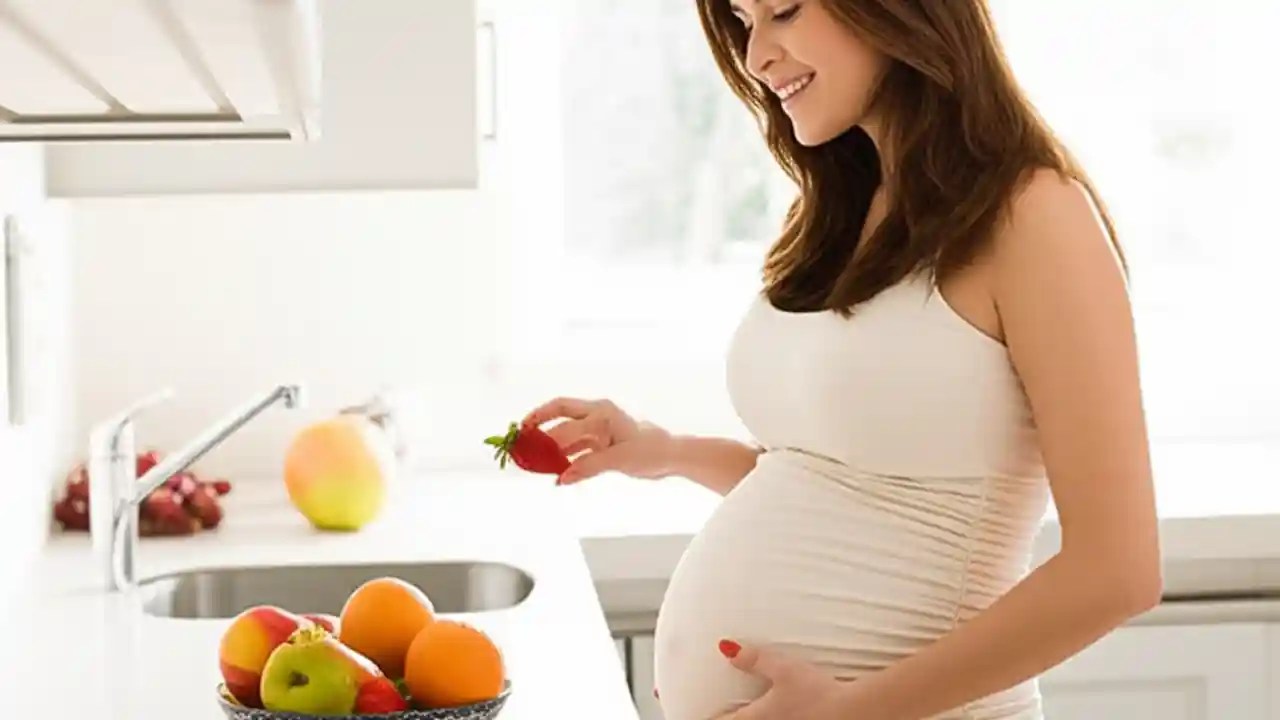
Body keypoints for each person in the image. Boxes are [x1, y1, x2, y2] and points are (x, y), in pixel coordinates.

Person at [519, 1, 1163, 718]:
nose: (755, 55)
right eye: (743, 20)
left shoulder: (1033, 215)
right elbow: (843, 493)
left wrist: (848, 711)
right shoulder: (843, 209)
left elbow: (1118, 571)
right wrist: (666, 451)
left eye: (784, 12)